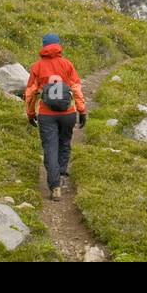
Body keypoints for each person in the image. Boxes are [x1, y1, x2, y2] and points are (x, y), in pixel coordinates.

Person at [23, 33, 87, 200]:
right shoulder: (67, 64)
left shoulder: (37, 67)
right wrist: (82, 111)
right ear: (58, 46)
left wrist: (30, 113)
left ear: (44, 47)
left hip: (46, 115)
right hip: (68, 113)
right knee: (64, 143)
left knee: (50, 148)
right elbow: (76, 89)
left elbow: (30, 93)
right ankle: (62, 174)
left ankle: (55, 186)